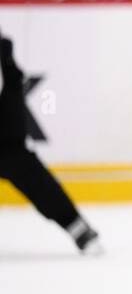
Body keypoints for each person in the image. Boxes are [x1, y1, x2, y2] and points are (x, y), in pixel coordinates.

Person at [0, 28, 102, 255]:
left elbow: (13, 87)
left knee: (37, 181)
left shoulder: (5, 54)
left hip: (8, 144)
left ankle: (76, 226)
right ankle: (76, 227)